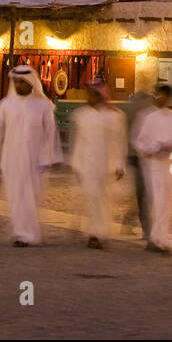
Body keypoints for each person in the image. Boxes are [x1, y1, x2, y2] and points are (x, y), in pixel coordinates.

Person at [0, 64, 62, 246]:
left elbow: (50, 132)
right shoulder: (5, 105)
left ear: (31, 83)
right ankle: (22, 233)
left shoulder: (43, 105)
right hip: (11, 158)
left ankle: (27, 234)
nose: (19, 86)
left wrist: (51, 156)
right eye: (16, 82)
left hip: (35, 160)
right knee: (15, 196)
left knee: (30, 196)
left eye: (22, 82)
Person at [133, 84, 172, 255]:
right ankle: (158, 237)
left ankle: (161, 237)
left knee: (168, 200)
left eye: (164, 96)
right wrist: (153, 148)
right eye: (158, 96)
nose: (161, 99)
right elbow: (139, 141)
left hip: (171, 163)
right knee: (157, 200)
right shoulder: (149, 118)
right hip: (154, 165)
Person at [70, 79, 127, 248]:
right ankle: (94, 233)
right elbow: (79, 141)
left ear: (100, 95)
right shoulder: (81, 115)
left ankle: (99, 233)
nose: (89, 97)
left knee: (103, 199)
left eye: (93, 94)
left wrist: (120, 164)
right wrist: (76, 164)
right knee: (91, 198)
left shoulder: (115, 116)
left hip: (107, 165)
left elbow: (120, 141)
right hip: (87, 164)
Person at [122, 91, 155, 242]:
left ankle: (141, 224)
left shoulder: (129, 109)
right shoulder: (150, 111)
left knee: (140, 192)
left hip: (134, 155)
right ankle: (147, 227)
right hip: (145, 156)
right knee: (146, 192)